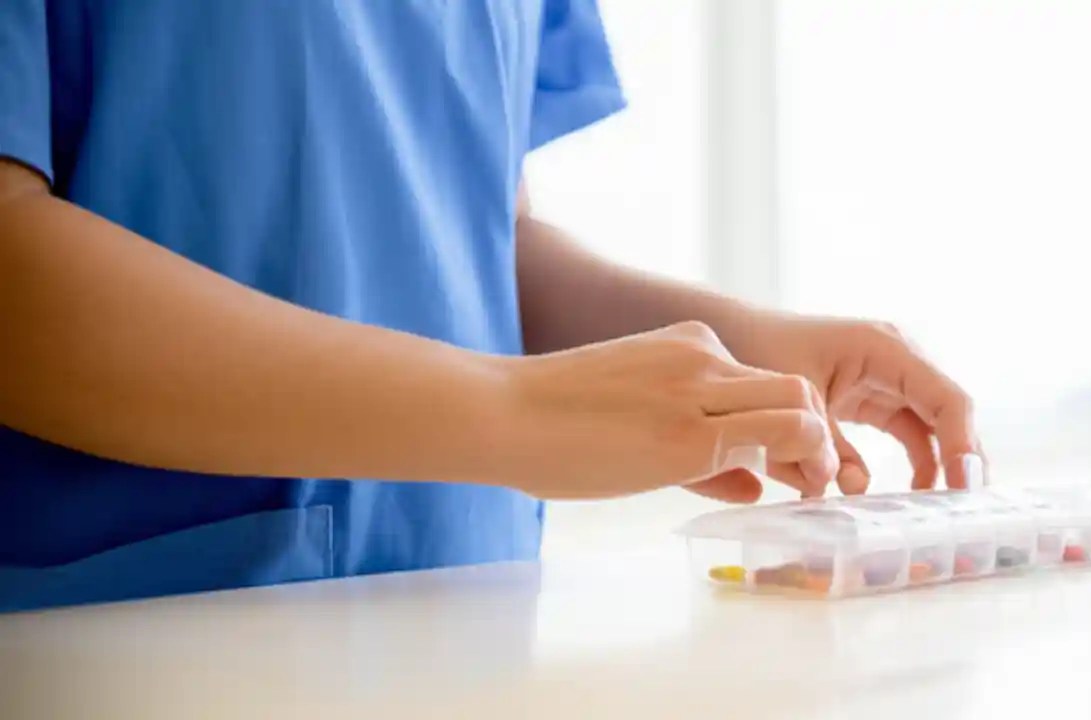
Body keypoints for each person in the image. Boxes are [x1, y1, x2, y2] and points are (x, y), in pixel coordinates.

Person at [0, 0, 984, 613]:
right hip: (142, 632)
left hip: (469, 616)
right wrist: (514, 414)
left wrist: (741, 352)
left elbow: (474, 243)